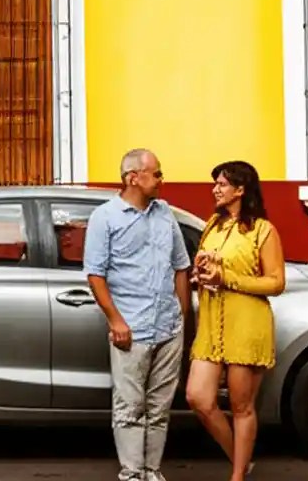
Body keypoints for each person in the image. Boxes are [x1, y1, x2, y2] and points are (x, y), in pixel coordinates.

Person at [83, 148, 192, 481]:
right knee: (130, 406)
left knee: (160, 408)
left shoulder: (164, 214)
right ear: (133, 177)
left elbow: (181, 266)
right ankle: (131, 474)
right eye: (156, 173)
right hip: (131, 328)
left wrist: (181, 315)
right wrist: (116, 320)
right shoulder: (105, 217)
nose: (161, 179)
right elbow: (95, 274)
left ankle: (152, 471)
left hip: (168, 327)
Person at [186, 160, 286, 481]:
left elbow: (276, 282)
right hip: (212, 323)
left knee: (241, 407)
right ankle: (241, 461)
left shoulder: (263, 230)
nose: (215, 189)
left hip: (247, 323)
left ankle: (238, 476)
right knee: (198, 398)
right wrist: (199, 274)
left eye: (222, 184)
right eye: (215, 183)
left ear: (240, 190)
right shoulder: (212, 225)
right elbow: (207, 270)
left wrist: (227, 277)